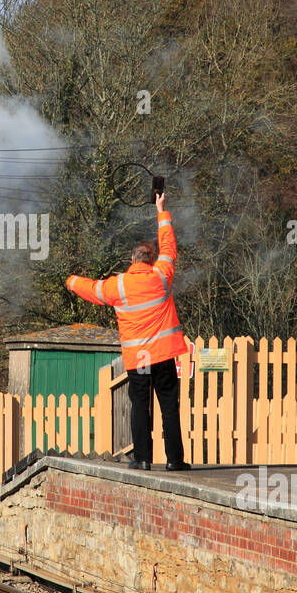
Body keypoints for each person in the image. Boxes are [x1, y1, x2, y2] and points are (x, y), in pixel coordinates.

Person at [65, 192, 189, 471]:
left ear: (132, 259)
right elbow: (169, 246)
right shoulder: (162, 275)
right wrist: (162, 211)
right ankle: (175, 460)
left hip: (139, 359)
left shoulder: (118, 286)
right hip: (164, 356)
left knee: (140, 406)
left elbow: (92, 289)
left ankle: (143, 459)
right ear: (150, 259)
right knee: (169, 407)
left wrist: (71, 281)